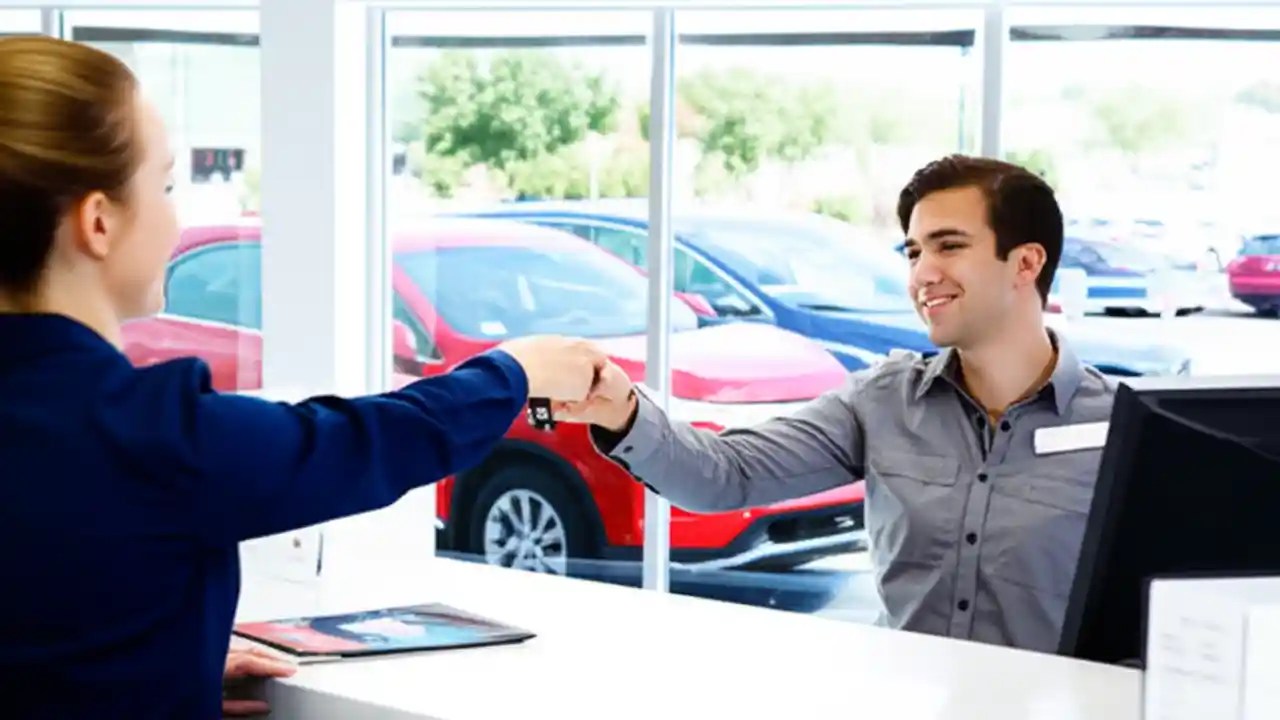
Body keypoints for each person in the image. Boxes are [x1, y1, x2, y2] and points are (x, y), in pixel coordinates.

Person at [0, 36, 606, 719]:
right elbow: (365, 442)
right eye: (165, 185)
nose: (176, 215)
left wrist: (164, 660)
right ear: (99, 221)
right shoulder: (148, 436)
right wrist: (516, 372)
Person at [556, 154, 1117, 655]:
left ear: (1025, 264)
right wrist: (623, 411)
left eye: (950, 246)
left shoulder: (1121, 430)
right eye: (914, 251)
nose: (922, 273)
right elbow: (726, 476)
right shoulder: (884, 400)